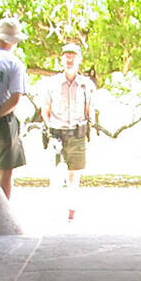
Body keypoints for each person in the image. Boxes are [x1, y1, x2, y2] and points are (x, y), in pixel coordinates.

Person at [38, 42, 96, 219]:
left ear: (79, 60)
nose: (69, 59)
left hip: (77, 132)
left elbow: (90, 109)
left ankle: (72, 208)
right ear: (61, 59)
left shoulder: (86, 85)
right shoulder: (52, 83)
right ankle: (53, 209)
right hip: (57, 132)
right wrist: (49, 128)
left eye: (73, 56)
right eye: (66, 55)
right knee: (56, 173)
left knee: (74, 174)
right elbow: (45, 109)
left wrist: (89, 127)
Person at [0, 16, 30, 201]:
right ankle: (3, 210)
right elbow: (15, 98)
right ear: (14, 41)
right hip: (3, 120)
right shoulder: (14, 63)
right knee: (6, 171)